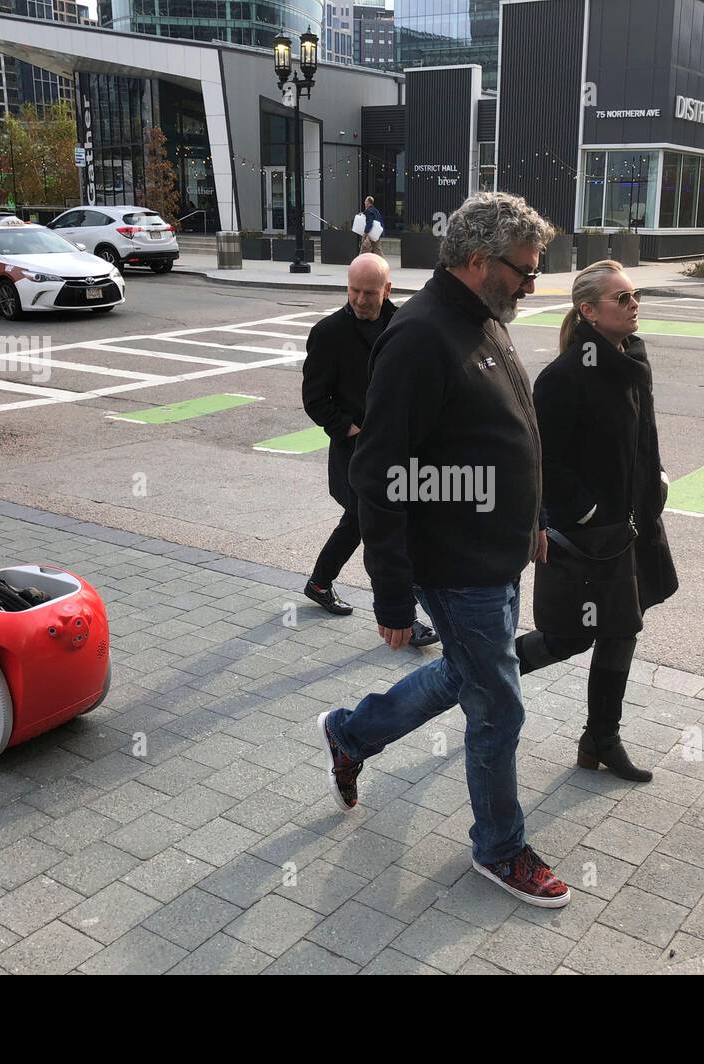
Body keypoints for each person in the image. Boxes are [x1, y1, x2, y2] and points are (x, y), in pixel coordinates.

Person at [313, 192, 572, 908]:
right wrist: (392, 594)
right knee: (500, 707)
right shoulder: (422, 336)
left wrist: (532, 520)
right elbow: (378, 471)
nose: (531, 284)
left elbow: (512, 432)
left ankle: (351, 733)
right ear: (479, 260)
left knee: (467, 680)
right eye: (523, 270)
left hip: (496, 556)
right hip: (456, 571)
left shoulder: (484, 321)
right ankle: (500, 848)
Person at [516, 260, 679, 782]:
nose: (634, 306)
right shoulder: (565, 376)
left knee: (624, 626)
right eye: (622, 299)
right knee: (568, 636)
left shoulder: (631, 358)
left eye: (635, 296)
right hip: (591, 536)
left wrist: (653, 480)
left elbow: (641, 432)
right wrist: (588, 511)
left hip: (634, 522)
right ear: (588, 310)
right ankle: (481, 675)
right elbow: (545, 461)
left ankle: (600, 739)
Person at [301, 253, 437, 647]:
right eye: (354, 291)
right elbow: (315, 398)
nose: (360, 300)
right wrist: (351, 428)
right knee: (384, 532)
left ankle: (318, 582)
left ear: (388, 290)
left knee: (360, 524)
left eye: (369, 292)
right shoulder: (329, 332)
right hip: (357, 455)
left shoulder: (406, 325)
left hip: (401, 450)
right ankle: (404, 620)